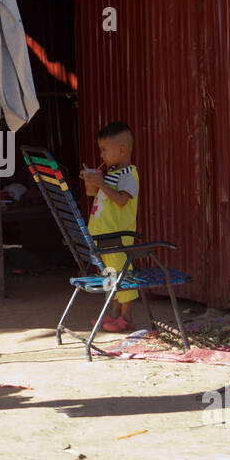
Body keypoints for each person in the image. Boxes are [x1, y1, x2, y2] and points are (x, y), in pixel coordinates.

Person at [81, 121, 140, 332]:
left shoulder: (129, 175)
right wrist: (92, 181)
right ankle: (114, 314)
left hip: (117, 238)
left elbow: (122, 200)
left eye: (104, 150)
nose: (101, 154)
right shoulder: (112, 174)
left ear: (122, 150)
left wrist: (101, 183)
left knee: (122, 274)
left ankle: (127, 316)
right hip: (104, 237)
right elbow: (93, 195)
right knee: (110, 275)